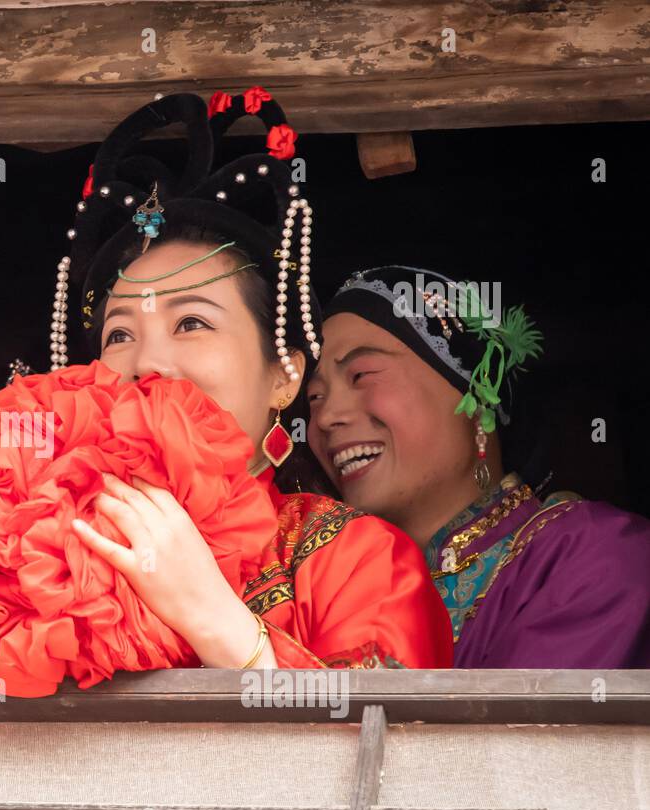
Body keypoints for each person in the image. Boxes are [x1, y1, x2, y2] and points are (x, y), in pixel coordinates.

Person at [52, 89, 452, 668]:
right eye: (119, 334)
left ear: (284, 377)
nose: (147, 362)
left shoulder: (357, 560)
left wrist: (212, 618)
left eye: (190, 321)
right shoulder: (45, 532)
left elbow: (386, 753)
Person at [306, 265, 650, 667]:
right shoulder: (326, 588)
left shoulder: (593, 553)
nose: (327, 416)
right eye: (313, 398)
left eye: (362, 374)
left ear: (476, 396)